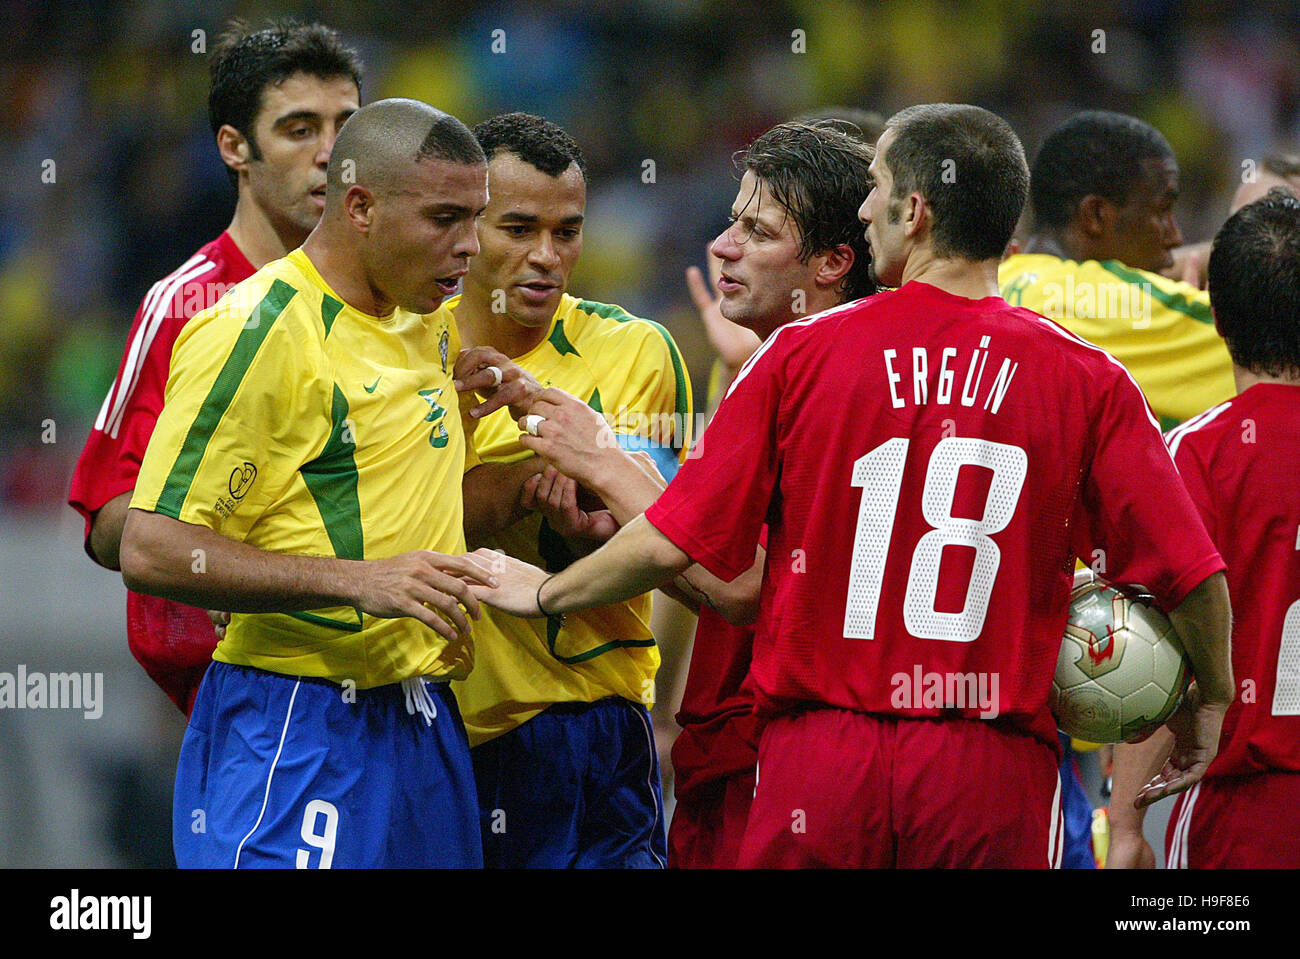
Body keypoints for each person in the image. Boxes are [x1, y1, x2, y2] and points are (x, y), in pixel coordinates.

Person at [467, 103, 1234, 868]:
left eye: (876, 186)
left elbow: (679, 544)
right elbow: (1192, 573)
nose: (867, 206)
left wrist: (544, 592)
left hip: (821, 755)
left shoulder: (800, 356)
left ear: (915, 209)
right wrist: (1213, 695)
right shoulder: (1087, 377)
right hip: (985, 763)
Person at [119, 98, 497, 868]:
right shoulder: (258, 331)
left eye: (478, 218)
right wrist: (357, 581)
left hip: (422, 721)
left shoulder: (427, 315)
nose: (470, 246)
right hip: (296, 718)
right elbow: (152, 548)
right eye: (445, 218)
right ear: (359, 206)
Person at [521, 119, 877, 867]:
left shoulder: (811, 374)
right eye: (731, 222)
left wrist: (606, 463)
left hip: (784, 761)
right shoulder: (816, 366)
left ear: (834, 262)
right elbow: (745, 583)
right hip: (756, 748)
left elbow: (743, 585)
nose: (722, 246)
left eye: (758, 231)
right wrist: (622, 526)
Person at [68, 20, 363, 716]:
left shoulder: (400, 302)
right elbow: (110, 524)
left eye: (345, 128)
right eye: (298, 130)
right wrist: (226, 545)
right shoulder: (189, 304)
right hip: (244, 695)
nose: (331, 155)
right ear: (235, 147)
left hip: (384, 685)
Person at [447, 112, 693, 868]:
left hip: (603, 724)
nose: (546, 257)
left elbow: (684, 541)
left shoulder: (639, 351)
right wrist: (528, 483)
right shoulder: (410, 358)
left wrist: (671, 716)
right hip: (463, 731)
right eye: (518, 229)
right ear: (465, 226)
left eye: (568, 231)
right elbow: (404, 519)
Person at [1108, 190, 1300, 869]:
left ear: (1214, 318)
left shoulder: (1198, 453)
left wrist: (1126, 823)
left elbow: (1149, 656)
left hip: (1240, 815)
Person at [999, 110, 1234, 429]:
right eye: (1161, 211)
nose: (1175, 235)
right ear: (1095, 215)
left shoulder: (998, 282)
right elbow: (1273, 343)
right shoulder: (1099, 303)